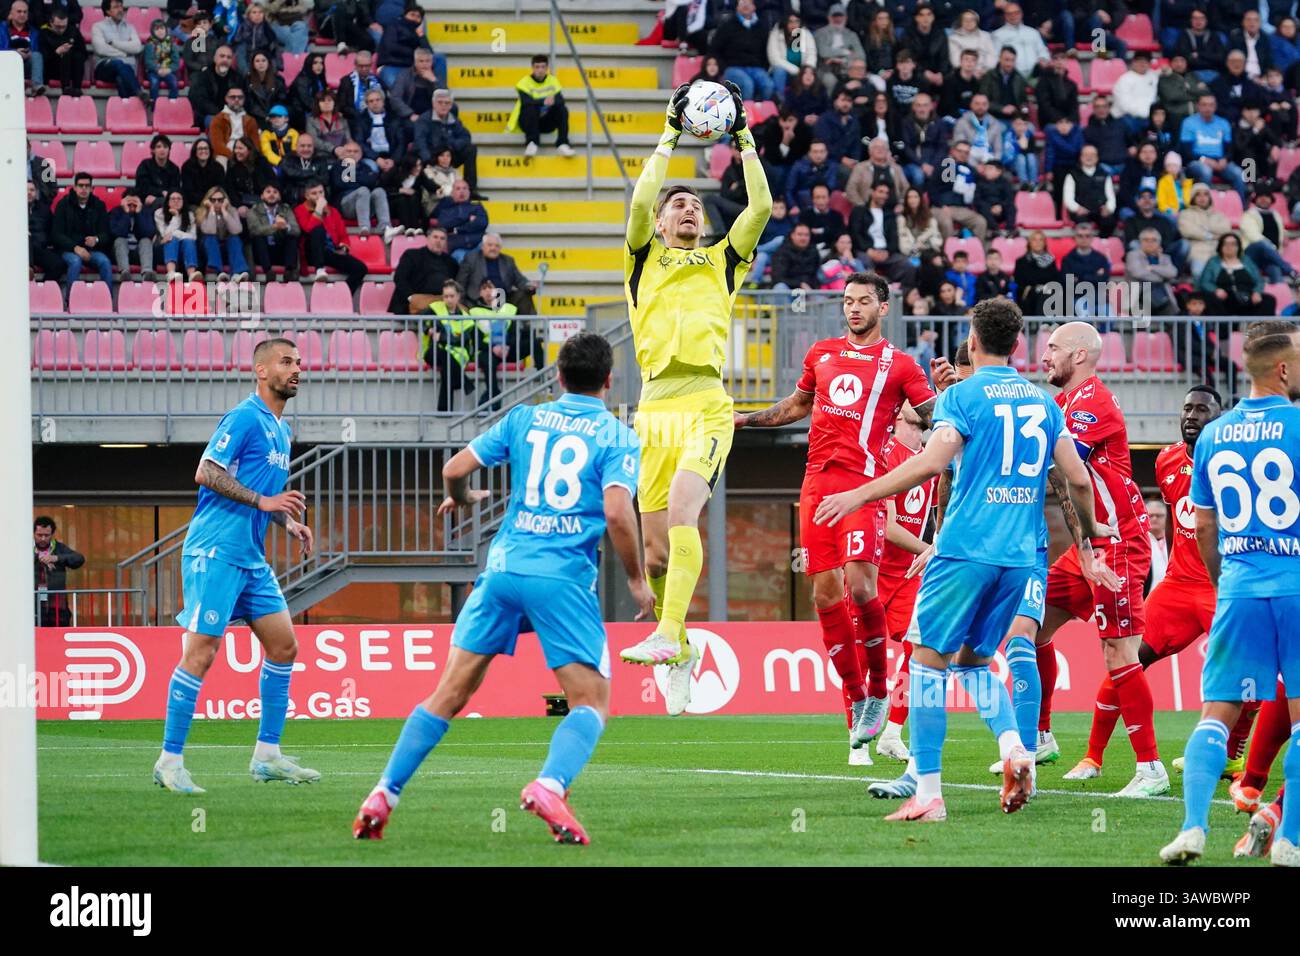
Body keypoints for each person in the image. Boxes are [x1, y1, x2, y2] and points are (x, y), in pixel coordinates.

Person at [813, 298, 1106, 822]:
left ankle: (927, 793)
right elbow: (1078, 479)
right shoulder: (1044, 404)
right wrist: (1088, 539)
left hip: (966, 549)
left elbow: (931, 462)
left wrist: (859, 496)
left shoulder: (961, 397)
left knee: (927, 662)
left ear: (973, 341)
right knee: (972, 661)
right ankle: (1016, 746)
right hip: (1020, 558)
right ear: (1017, 345)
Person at [352, 332, 649, 844]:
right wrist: (637, 578)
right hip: (560, 579)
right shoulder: (618, 436)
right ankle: (550, 785)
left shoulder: (524, 417)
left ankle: (384, 792)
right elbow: (618, 512)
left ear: (557, 377)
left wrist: (463, 498)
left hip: (503, 570)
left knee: (448, 694)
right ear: (608, 380)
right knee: (591, 702)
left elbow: (452, 469)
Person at [737, 272, 940, 759]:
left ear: (883, 307)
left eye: (864, 301)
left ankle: (875, 690)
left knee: (861, 585)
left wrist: (956, 392)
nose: (854, 309)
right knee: (825, 593)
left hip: (865, 488)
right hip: (816, 486)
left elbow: (937, 417)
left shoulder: (901, 365)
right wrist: (744, 419)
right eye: (848, 301)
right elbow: (798, 405)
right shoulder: (821, 353)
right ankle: (857, 699)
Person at [616, 83, 770, 716]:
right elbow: (641, 197)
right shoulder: (639, 258)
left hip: (707, 399)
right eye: (675, 205)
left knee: (683, 516)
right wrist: (670, 137)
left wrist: (743, 138)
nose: (684, 211)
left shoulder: (721, 262)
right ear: (657, 221)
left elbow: (759, 206)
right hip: (652, 407)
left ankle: (663, 632)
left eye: (693, 207)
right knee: (654, 551)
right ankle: (680, 647)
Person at [1160, 322, 1300, 867]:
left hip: (1239, 589)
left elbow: (1203, 529)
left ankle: (1192, 829)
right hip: (1294, 585)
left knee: (1215, 714)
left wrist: (1224, 584)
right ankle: (1287, 840)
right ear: (1283, 369)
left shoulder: (1214, 435)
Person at [152, 338, 318, 795]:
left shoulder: (282, 430)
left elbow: (260, 490)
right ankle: (169, 761)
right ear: (262, 371)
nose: (297, 369)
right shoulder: (245, 417)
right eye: (287, 362)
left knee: (284, 647)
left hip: (250, 557)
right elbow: (207, 471)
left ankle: (267, 756)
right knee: (202, 652)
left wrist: (284, 520)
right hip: (215, 551)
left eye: (299, 362)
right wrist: (264, 501)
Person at [1034, 321, 1167, 796]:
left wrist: (1093, 549)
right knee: (1027, 627)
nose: (1043, 356)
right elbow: (1065, 485)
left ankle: (1151, 769)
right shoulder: (1059, 404)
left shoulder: (1093, 402)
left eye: (1052, 348)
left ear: (1081, 356)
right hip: (1089, 544)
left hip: (1120, 543)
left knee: (1118, 652)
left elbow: (1072, 477)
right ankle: (1042, 736)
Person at [294, 179, 367, 290]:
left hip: (329, 251)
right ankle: (320, 269)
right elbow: (309, 229)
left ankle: (342, 297)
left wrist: (343, 247)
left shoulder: (333, 211)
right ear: (306, 196)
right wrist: (318, 209)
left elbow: (343, 235)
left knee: (360, 268)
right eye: (314, 193)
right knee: (317, 229)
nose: (319, 196)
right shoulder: (300, 210)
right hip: (311, 252)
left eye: (321, 192)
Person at [413, 88, 483, 200]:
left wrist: (453, 144)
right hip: (431, 159)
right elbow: (420, 142)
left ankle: (469, 189)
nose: (443, 106)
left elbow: (466, 137)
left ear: (451, 105)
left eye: (447, 103)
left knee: (470, 149)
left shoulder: (454, 120)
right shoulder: (424, 120)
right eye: (440, 102)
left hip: (448, 156)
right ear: (433, 104)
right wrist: (429, 159)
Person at [52, 172, 113, 299]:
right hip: (67, 250)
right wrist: (75, 248)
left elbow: (107, 234)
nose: (84, 189)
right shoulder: (63, 205)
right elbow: (56, 234)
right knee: (75, 261)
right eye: (80, 186)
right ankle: (71, 301)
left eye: (87, 186)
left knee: (105, 262)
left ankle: (108, 301)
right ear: (74, 187)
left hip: (92, 251)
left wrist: (96, 240)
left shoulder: (99, 205)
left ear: (92, 188)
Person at [1180, 93, 1248, 203]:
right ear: (1198, 106)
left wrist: (1225, 159)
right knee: (1206, 171)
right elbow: (1185, 151)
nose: (1208, 108)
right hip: (1197, 161)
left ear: (1215, 106)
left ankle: (1241, 208)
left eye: (1211, 105)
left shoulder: (1223, 123)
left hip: (1219, 161)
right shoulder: (1189, 123)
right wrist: (1204, 160)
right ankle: (1208, 207)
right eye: (1204, 105)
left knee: (1239, 173)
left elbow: (1230, 148)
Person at [507, 54, 574, 158]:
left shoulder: (552, 80)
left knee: (562, 109)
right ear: (532, 68)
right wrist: (544, 101)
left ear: (547, 68)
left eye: (543, 67)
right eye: (537, 67)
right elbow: (526, 102)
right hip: (528, 122)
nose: (540, 70)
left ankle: (562, 143)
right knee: (530, 108)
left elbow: (560, 100)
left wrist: (553, 101)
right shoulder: (524, 82)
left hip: (546, 122)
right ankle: (532, 143)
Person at [849, 182, 917, 285]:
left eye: (886, 193)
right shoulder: (859, 211)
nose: (884, 196)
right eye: (881, 192)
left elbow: (894, 238)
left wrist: (888, 252)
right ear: (872, 192)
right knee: (864, 266)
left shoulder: (889, 215)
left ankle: (903, 296)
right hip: (866, 251)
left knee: (908, 266)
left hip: (886, 253)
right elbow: (855, 234)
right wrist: (868, 250)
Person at [457, 232, 537, 316]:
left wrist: (529, 285)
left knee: (523, 295)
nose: (493, 248)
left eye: (496, 246)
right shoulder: (471, 258)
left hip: (502, 300)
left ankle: (526, 327)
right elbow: (461, 283)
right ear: (483, 246)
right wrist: (461, 302)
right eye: (490, 245)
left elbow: (520, 280)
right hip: (477, 300)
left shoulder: (508, 260)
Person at [1197, 233, 1277, 316]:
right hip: (1224, 299)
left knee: (1269, 300)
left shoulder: (1247, 261)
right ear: (1220, 246)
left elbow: (1259, 280)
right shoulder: (1213, 262)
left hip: (1248, 297)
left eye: (1233, 244)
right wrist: (1215, 290)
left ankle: (1258, 327)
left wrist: (1257, 292)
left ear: (1238, 247)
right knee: (1210, 299)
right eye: (1225, 244)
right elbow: (1205, 282)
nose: (1229, 247)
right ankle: (1223, 327)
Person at [927, 139, 986, 240]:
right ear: (952, 151)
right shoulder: (944, 165)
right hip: (940, 207)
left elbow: (980, 188)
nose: (963, 154)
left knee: (980, 222)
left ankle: (976, 252)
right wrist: (941, 205)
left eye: (966, 152)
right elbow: (932, 189)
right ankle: (948, 253)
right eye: (960, 151)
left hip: (961, 208)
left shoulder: (971, 170)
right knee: (946, 222)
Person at [391, 225, 456, 314]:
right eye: (435, 237)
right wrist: (410, 297)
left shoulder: (451, 262)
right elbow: (399, 278)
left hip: (441, 303)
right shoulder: (412, 255)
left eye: (442, 238)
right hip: (414, 303)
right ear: (427, 239)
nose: (438, 241)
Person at [33, 515, 85, 627]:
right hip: (32, 606)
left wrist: (56, 558)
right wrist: (38, 558)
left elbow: (79, 559)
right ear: (33, 534)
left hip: (57, 606)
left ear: (52, 534)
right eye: (39, 535)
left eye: (46, 535)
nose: (43, 538)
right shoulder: (24, 547)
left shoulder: (59, 548)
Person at [1241, 188, 1298, 284]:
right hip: (1252, 253)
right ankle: (1291, 271)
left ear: (1271, 200)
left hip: (1270, 255)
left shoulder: (1276, 215)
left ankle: (1280, 296)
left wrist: (1285, 235)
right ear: (1255, 200)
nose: (1263, 199)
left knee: (1276, 273)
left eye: (1266, 196)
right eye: (1260, 197)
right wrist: (1271, 247)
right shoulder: (1248, 215)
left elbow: (1280, 229)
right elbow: (1253, 235)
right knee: (1262, 244)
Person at [247, 181, 300, 279]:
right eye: (268, 192)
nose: (271, 194)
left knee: (291, 237)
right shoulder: (254, 210)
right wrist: (275, 226)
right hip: (262, 252)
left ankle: (289, 272)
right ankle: (268, 272)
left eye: (275, 192)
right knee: (259, 237)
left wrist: (285, 226)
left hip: (279, 250)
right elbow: (254, 230)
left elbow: (296, 230)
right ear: (262, 196)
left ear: (279, 197)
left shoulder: (286, 209)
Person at [91, 0, 143, 100]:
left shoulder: (130, 27)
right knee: (117, 63)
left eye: (121, 6)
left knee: (120, 79)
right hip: (104, 67)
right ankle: (138, 92)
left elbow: (137, 47)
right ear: (107, 11)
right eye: (115, 7)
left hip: (127, 69)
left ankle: (127, 109)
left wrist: (114, 43)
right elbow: (101, 49)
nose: (120, 10)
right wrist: (125, 53)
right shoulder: (98, 27)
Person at [196, 185, 249, 281]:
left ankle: (237, 273)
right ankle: (219, 272)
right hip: (208, 251)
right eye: (213, 200)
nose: (217, 203)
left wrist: (224, 211)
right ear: (208, 201)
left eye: (220, 200)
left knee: (234, 238)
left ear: (225, 201)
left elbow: (237, 230)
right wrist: (211, 210)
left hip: (227, 248)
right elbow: (210, 231)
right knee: (210, 238)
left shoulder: (232, 210)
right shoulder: (202, 212)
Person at [1178, 181, 1231, 279]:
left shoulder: (1218, 215)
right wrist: (1211, 235)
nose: (1202, 198)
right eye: (1198, 195)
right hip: (1197, 252)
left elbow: (1226, 230)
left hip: (1218, 252)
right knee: (1199, 274)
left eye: (1205, 194)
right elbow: (1187, 231)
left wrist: (1203, 228)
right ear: (1193, 197)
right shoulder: (1186, 214)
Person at [1063, 144, 1117, 237]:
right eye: (1086, 155)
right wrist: (1077, 208)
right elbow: (1068, 198)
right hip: (1081, 211)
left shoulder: (1104, 174)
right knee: (1082, 225)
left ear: (1097, 158)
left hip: (1100, 211)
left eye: (1092, 155)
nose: (1089, 157)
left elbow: (1111, 196)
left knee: (1109, 222)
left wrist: (1108, 208)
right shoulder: (1072, 175)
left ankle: (1101, 244)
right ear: (1081, 157)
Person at [813, 2, 865, 96]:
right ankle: (832, 105)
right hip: (826, 69)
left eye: (841, 16)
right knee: (830, 80)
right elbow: (824, 52)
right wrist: (846, 52)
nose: (838, 19)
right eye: (835, 16)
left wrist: (842, 60)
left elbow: (861, 55)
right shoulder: (820, 33)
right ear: (829, 17)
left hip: (848, 68)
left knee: (863, 80)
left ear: (845, 18)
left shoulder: (851, 34)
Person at [898, 93, 948, 188]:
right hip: (913, 162)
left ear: (931, 107)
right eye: (918, 105)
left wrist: (932, 165)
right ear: (913, 107)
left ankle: (942, 201)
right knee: (918, 175)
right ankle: (918, 200)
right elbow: (906, 147)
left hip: (934, 162)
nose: (922, 109)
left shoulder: (939, 123)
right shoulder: (906, 123)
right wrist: (922, 165)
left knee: (950, 171)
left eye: (925, 105)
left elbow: (942, 147)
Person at [430, 178, 487, 261]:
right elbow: (444, 224)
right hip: (458, 247)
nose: (462, 191)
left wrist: (457, 229)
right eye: (458, 189)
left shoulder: (477, 207)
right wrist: (467, 218)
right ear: (452, 193)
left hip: (478, 245)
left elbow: (482, 223)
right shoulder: (446, 209)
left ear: (469, 192)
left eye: (464, 188)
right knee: (460, 257)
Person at [189, 44, 243, 130]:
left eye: (229, 57)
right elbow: (200, 101)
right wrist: (221, 114)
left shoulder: (238, 78)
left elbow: (242, 99)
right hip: (208, 116)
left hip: (232, 115)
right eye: (222, 56)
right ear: (215, 58)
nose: (225, 59)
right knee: (217, 124)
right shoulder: (202, 77)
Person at [1124, 228, 1179, 314]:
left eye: (1154, 240)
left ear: (1159, 243)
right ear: (1140, 242)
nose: (1150, 243)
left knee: (1174, 315)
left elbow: (1173, 272)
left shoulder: (1165, 258)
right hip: (1138, 299)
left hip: (1162, 298)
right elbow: (1138, 273)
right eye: (1146, 240)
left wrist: (1152, 267)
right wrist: (1162, 277)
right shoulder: (1133, 255)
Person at [375, 1, 429, 90]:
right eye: (412, 15)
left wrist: (421, 36)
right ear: (405, 15)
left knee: (439, 58)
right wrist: (414, 54)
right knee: (399, 91)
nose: (415, 19)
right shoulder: (393, 26)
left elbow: (428, 53)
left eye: (418, 17)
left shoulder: (418, 33)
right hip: (391, 66)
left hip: (410, 69)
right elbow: (391, 47)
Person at [155, 188, 202, 281]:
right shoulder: (159, 213)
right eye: (173, 199)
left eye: (179, 199)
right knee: (171, 239)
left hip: (185, 249)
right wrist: (175, 217)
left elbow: (193, 237)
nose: (176, 201)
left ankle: (192, 275)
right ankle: (171, 273)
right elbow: (165, 235)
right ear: (167, 201)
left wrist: (176, 234)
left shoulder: (190, 215)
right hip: (163, 248)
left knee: (188, 241)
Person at [991, 2, 1048, 78]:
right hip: (1012, 75)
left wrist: (1043, 59)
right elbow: (995, 57)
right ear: (1005, 16)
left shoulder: (1033, 32)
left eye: (1016, 13)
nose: (1013, 16)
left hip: (1035, 74)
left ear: (1021, 14)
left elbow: (1042, 51)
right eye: (1009, 14)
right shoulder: (997, 35)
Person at [37, 7, 85, 95]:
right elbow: (42, 58)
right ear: (51, 22)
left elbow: (83, 51)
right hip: (52, 69)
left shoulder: (73, 31)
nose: (61, 30)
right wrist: (57, 52)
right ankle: (66, 87)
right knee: (64, 53)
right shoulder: (44, 33)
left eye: (64, 27)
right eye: (58, 27)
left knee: (77, 55)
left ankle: (77, 88)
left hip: (71, 69)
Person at [109, 189, 155, 279]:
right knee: (120, 240)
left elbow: (147, 233)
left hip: (139, 253)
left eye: (135, 204)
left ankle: (147, 272)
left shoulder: (145, 212)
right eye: (129, 204)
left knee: (146, 241)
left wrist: (138, 213)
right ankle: (125, 272)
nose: (132, 207)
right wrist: (126, 212)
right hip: (119, 253)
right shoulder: (116, 212)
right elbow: (118, 233)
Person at [1112, 51, 1160, 136]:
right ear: (1133, 63)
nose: (1142, 64)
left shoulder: (1153, 76)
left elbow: (1163, 71)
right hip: (1127, 117)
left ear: (1149, 64)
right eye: (1139, 61)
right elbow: (1125, 106)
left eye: (1145, 61)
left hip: (1147, 117)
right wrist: (1147, 115)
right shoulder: (1124, 80)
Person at [388, 46, 439, 125]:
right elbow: (395, 98)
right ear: (415, 62)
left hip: (431, 116)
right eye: (421, 61)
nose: (424, 64)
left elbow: (445, 96)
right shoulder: (404, 75)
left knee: (453, 108)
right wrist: (410, 114)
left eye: (427, 61)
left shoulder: (435, 75)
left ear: (431, 62)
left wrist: (434, 81)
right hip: (411, 116)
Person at [210, 86, 260, 162]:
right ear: (226, 99)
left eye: (240, 97)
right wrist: (233, 156)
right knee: (221, 161)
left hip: (246, 153)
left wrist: (246, 154)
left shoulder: (251, 120)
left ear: (244, 100)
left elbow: (255, 144)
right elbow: (217, 145)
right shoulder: (218, 119)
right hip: (226, 154)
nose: (237, 99)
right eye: (233, 97)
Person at [979, 46, 1028, 121]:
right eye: (1007, 60)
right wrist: (1001, 109)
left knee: (1030, 128)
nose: (1009, 64)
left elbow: (1023, 101)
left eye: (1012, 60)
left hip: (1015, 118)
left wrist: (1022, 112)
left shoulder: (1019, 78)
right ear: (1000, 59)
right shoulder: (989, 76)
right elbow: (983, 101)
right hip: (994, 117)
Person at [28, 181, 63, 281]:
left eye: (32, 190)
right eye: (26, 190)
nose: (29, 193)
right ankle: (29, 268)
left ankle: (42, 290)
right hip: (19, 250)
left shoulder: (44, 209)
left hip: (39, 249)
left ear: (36, 193)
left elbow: (53, 229)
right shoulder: (12, 209)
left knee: (58, 264)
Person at [230, 1, 278, 74]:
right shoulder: (242, 29)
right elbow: (240, 54)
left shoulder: (268, 31)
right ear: (249, 14)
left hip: (264, 67)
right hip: (247, 66)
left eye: (260, 12)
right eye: (254, 12)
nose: (257, 15)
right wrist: (247, 74)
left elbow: (273, 53)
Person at [336, 48, 383, 120]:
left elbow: (385, 102)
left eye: (367, 66)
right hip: (354, 119)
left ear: (371, 65)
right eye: (361, 66)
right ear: (355, 65)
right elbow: (342, 106)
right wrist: (359, 115)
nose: (364, 69)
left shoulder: (378, 81)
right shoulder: (346, 81)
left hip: (377, 118)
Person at [897, 186, 942, 259]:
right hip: (911, 254)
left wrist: (925, 246)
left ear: (920, 199)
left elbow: (937, 240)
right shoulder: (902, 219)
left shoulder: (929, 217)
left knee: (937, 261)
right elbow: (903, 244)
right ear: (906, 200)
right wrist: (915, 247)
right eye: (909, 197)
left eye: (915, 197)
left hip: (928, 251)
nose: (912, 200)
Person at [180, 136, 226, 209]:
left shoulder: (218, 167)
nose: (203, 151)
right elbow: (188, 192)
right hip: (194, 204)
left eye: (206, 148)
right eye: (200, 149)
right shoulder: (187, 167)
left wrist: (212, 202)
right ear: (195, 151)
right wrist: (205, 201)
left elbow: (220, 189)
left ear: (210, 151)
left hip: (214, 202)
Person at [245, 50, 287, 127]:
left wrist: (272, 114)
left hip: (275, 116)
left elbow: (281, 100)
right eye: (257, 61)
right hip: (255, 117)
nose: (261, 63)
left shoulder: (278, 80)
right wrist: (265, 116)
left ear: (268, 63)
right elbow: (249, 104)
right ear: (253, 64)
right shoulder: (246, 81)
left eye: (263, 60)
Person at [306, 89, 349, 161]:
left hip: (342, 154)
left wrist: (345, 151)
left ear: (334, 103)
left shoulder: (342, 120)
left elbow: (348, 139)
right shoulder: (311, 120)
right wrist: (333, 149)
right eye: (322, 101)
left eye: (329, 100)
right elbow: (314, 140)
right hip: (320, 156)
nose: (326, 103)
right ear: (318, 104)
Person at [259, 103, 297, 168]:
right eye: (273, 117)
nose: (276, 119)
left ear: (286, 119)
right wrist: (280, 162)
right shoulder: (266, 134)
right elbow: (267, 152)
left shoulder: (293, 133)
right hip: (272, 165)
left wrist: (288, 162)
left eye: (279, 116)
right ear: (270, 119)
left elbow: (295, 151)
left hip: (291, 164)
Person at [1146, 496, 1169, 590]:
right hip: (1147, 596)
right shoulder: (1140, 541)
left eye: (1159, 515)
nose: (1154, 518)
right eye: (1150, 515)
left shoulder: (1176, 540)